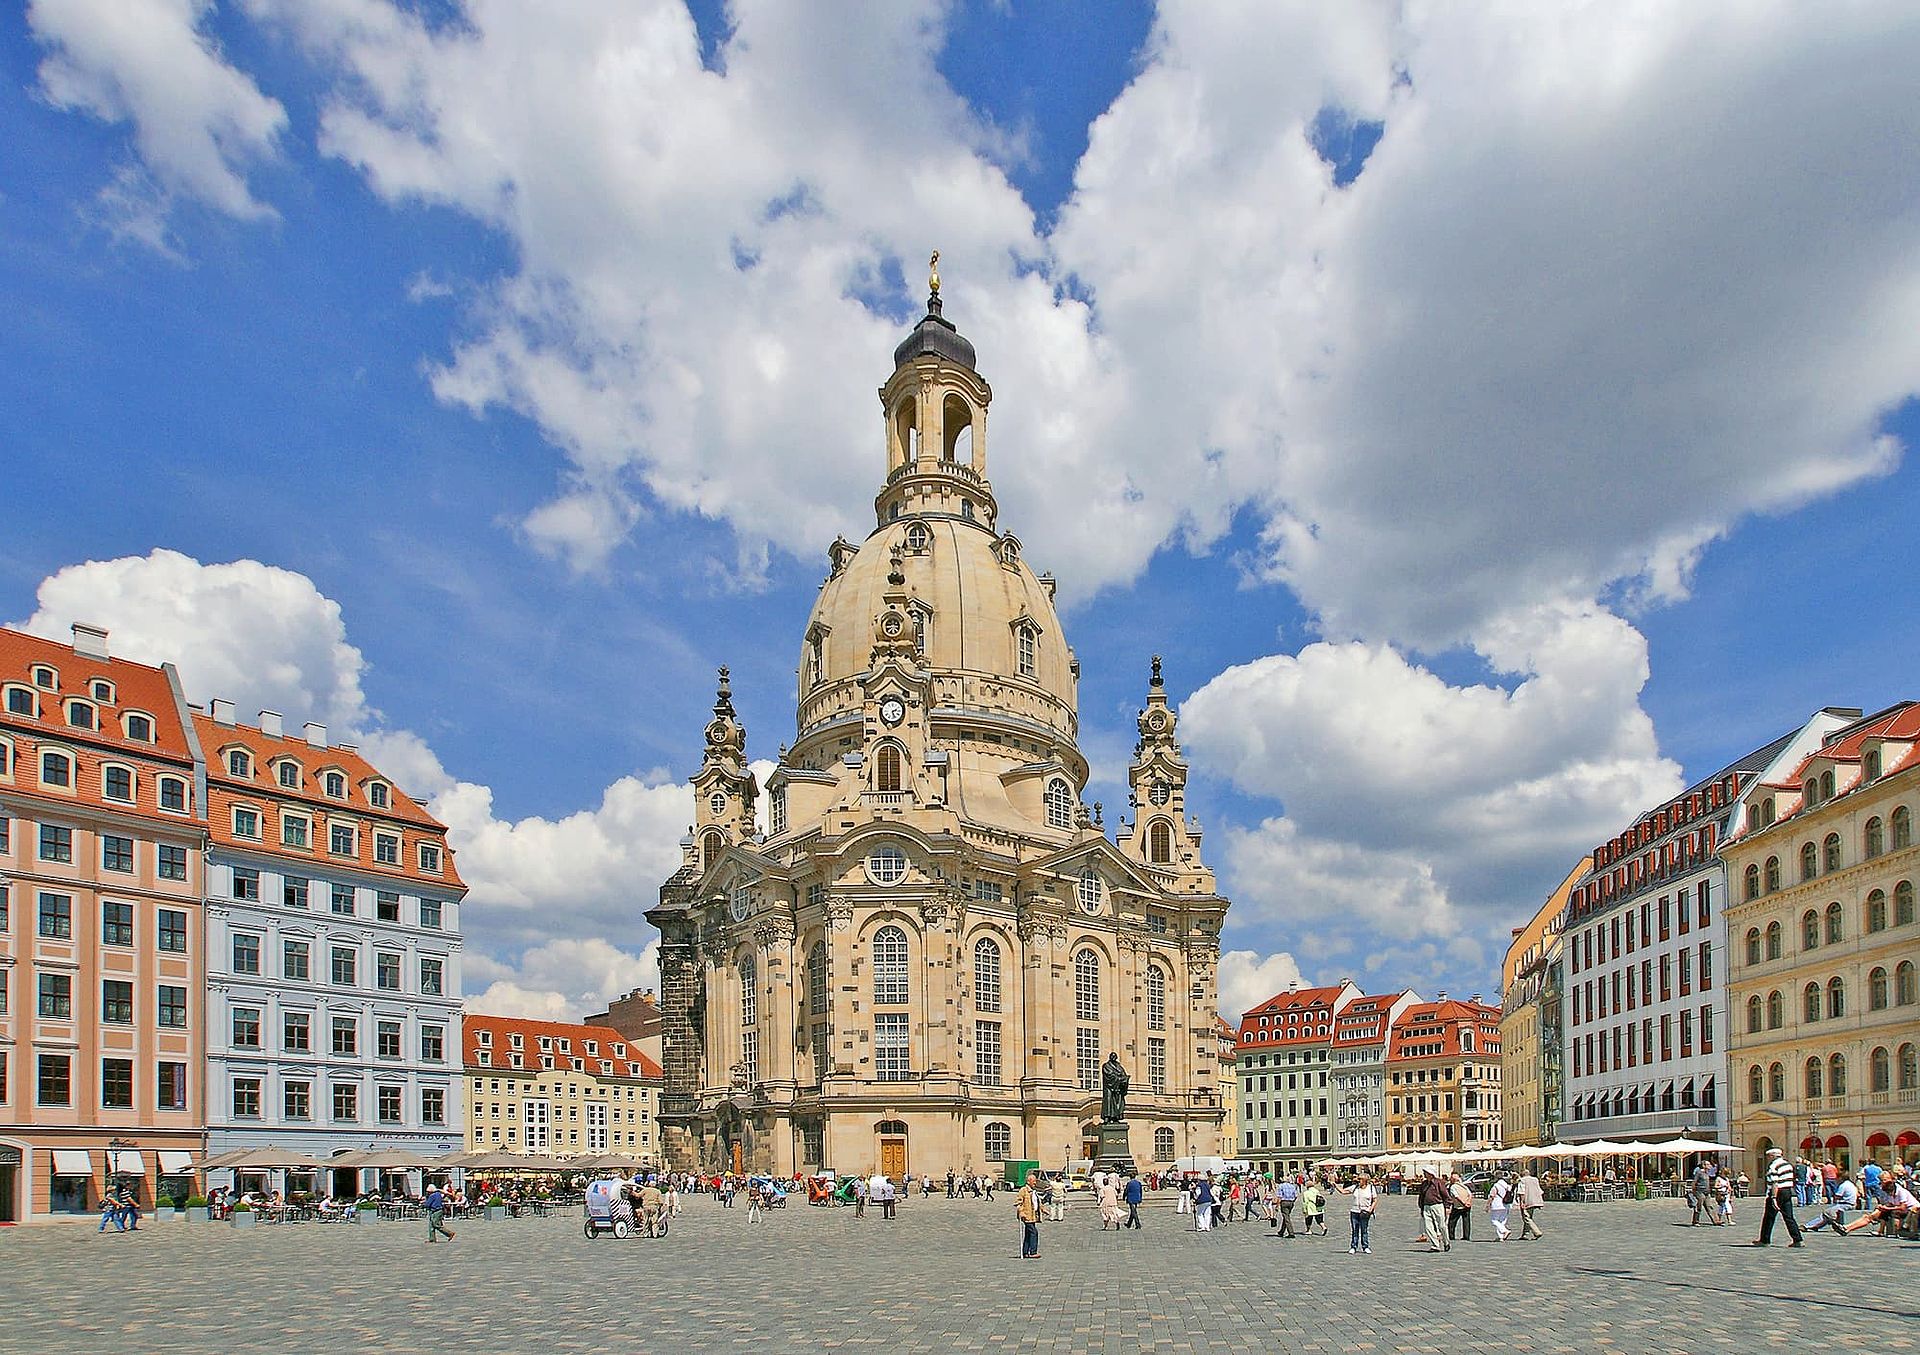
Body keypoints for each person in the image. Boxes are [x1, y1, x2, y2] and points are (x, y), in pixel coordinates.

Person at [1754, 1146, 1803, 1247]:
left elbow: (1775, 1183)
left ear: (1772, 1156)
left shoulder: (1774, 1166)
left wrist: (1773, 1197)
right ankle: (1797, 1239)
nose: (1768, 1158)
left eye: (1768, 1156)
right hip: (1787, 1190)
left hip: (1778, 1191)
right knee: (1789, 1217)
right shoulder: (1788, 1165)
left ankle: (1764, 1240)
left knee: (1769, 1217)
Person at [1343, 1174, 1377, 1254]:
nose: (1358, 1180)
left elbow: (1375, 1200)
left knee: (1364, 1230)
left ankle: (1365, 1247)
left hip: (1365, 1212)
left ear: (1365, 1180)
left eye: (1360, 1179)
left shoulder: (1371, 1188)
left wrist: (1370, 1210)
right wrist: (1334, 1184)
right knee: (1355, 1230)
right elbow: (1343, 1191)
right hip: (1354, 1211)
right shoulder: (1355, 1187)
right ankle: (1353, 1247)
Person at [1017, 1170, 1043, 1259]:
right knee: (1034, 1232)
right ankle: (1033, 1252)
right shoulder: (1023, 1190)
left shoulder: (1033, 1191)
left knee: (1028, 1234)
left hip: (1033, 1216)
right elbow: (1018, 1202)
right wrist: (1021, 1211)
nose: (1035, 1183)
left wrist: (1042, 1209)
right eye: (1034, 1181)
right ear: (1028, 1181)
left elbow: (1036, 1202)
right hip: (1027, 1216)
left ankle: (1025, 1252)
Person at [1516, 1169, 1546, 1240]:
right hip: (1535, 1200)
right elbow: (1540, 1191)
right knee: (1529, 1217)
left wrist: (1522, 1202)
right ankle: (1525, 1234)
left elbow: (1521, 1192)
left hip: (1527, 1201)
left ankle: (1537, 1232)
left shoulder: (1522, 1180)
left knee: (1526, 1218)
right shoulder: (1535, 1179)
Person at [1446, 1172, 1473, 1242]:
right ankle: (1466, 1236)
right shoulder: (1464, 1186)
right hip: (1467, 1206)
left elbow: (1456, 1196)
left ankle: (1451, 1236)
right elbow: (1470, 1194)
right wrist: (1468, 1202)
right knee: (1466, 1221)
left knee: (1452, 1221)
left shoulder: (1453, 1187)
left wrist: (1464, 1203)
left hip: (1458, 1206)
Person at [1488, 1172, 1512, 1242]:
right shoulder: (1507, 1185)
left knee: (1494, 1220)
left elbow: (1492, 1196)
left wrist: (1488, 1205)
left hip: (1496, 1205)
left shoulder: (1496, 1185)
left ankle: (1505, 1231)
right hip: (1506, 1205)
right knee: (1502, 1221)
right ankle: (1501, 1237)